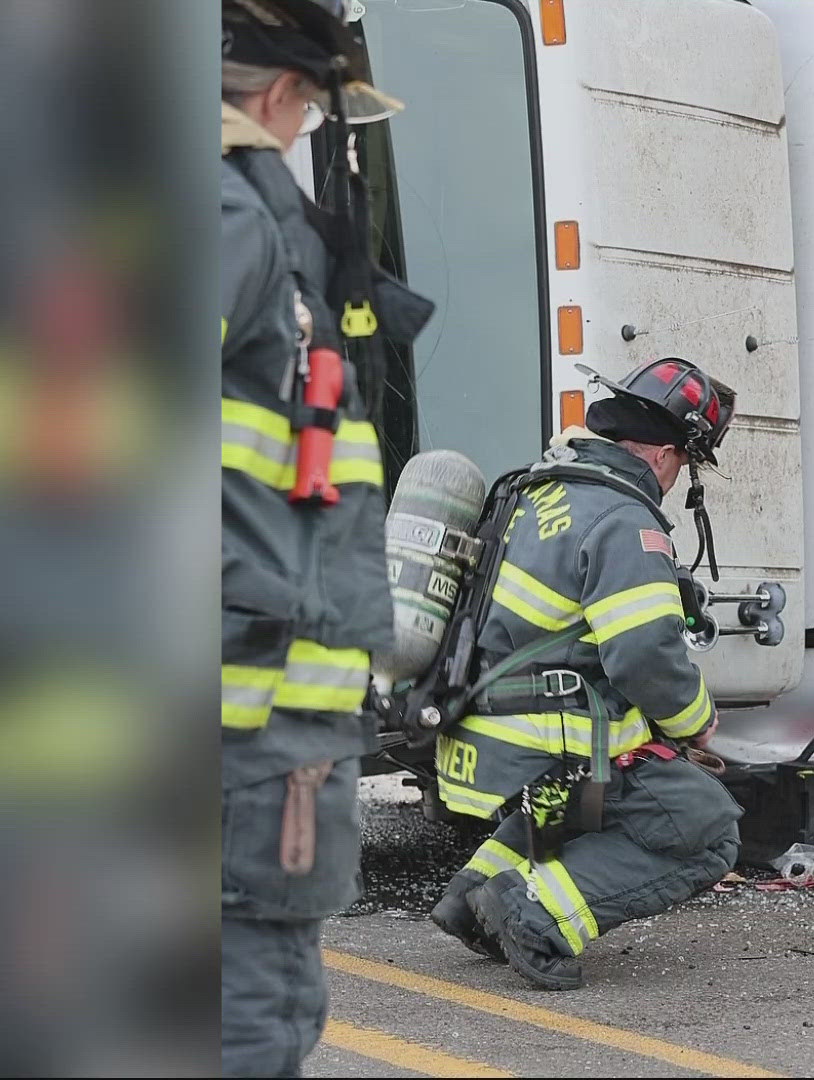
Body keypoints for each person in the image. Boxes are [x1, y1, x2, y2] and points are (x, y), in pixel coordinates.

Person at [220, 1, 429, 1074]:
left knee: (278, 1001)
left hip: (276, 721)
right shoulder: (227, 218)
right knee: (248, 1012)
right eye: (304, 106)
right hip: (245, 724)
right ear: (274, 93)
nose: (307, 131)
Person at [428, 358, 744, 991]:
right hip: (545, 738)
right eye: (683, 461)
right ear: (661, 454)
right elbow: (643, 657)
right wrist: (697, 721)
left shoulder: (539, 490)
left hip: (479, 730)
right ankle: (533, 912)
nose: (678, 475)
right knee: (706, 826)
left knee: (584, 801)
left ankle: (474, 896)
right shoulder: (623, 520)